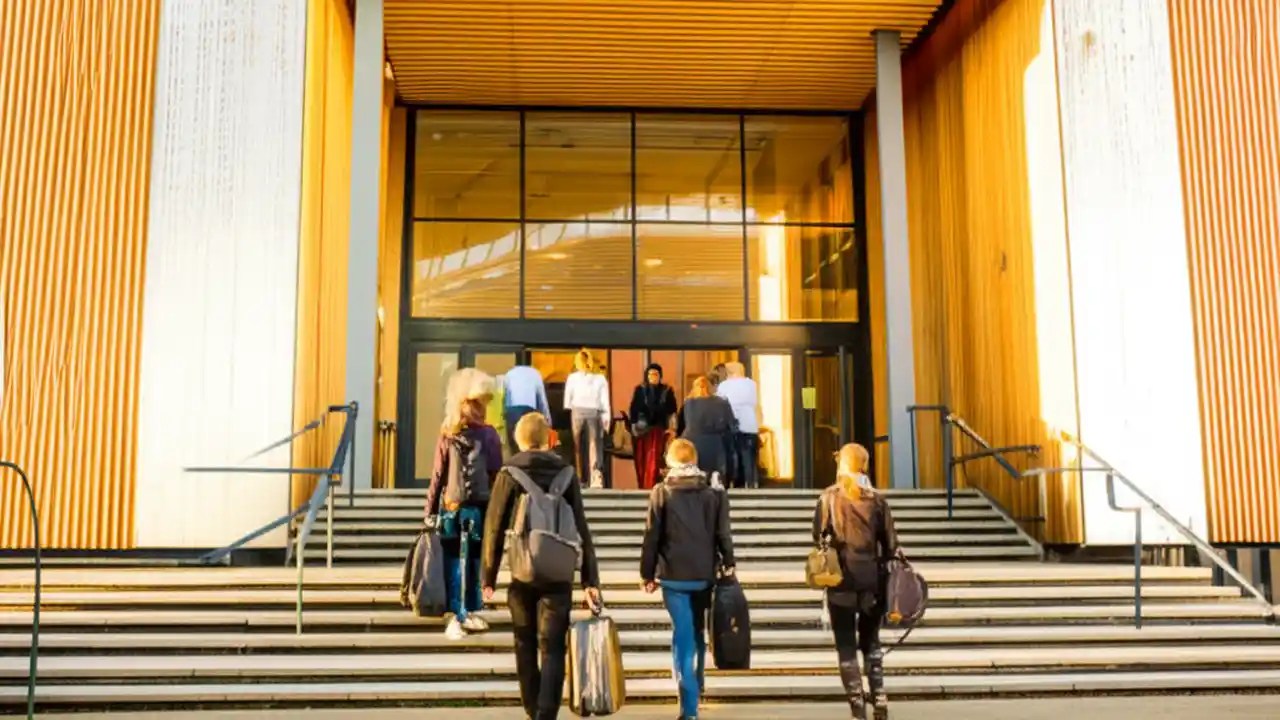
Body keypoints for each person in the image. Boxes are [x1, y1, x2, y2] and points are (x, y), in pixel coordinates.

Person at [482, 413, 602, 720]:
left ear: (519, 439)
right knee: (553, 646)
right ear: (548, 438)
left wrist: (488, 576)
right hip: (558, 571)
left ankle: (531, 707)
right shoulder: (567, 472)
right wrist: (590, 580)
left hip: (523, 571)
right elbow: (582, 527)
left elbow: (494, 526)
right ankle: (546, 713)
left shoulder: (510, 473)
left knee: (524, 641)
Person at [640, 439, 736, 720]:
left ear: (670, 460)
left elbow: (651, 537)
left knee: (682, 635)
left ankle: (689, 704)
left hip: (673, 576)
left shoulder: (661, 492)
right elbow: (723, 535)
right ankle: (697, 682)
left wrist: (647, 573)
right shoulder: (714, 494)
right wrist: (728, 563)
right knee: (696, 631)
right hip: (704, 575)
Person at [814, 442, 898, 720]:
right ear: (865, 465)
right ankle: (880, 697)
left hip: (840, 580)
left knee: (846, 645)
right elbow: (891, 545)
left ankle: (857, 705)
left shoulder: (829, 497)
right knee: (871, 641)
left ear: (842, 465)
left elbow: (818, 536)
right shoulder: (878, 500)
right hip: (872, 581)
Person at [425, 368, 504, 641]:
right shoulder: (489, 436)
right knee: (467, 561)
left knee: (459, 561)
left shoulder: (448, 432)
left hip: (453, 505)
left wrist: (430, 511)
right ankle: (462, 613)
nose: (483, 408)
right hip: (476, 507)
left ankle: (462, 613)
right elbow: (496, 473)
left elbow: (438, 474)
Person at [564, 349, 610, 489]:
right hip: (593, 411)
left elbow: (567, 400)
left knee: (578, 447)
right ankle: (595, 477)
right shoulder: (599, 379)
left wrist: (569, 406)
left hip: (577, 411)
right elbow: (604, 401)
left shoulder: (572, 378)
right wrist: (606, 419)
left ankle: (580, 478)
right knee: (594, 446)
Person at [677, 376, 736, 483]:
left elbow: (681, 424)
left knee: (694, 473)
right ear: (710, 387)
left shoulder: (688, 403)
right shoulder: (721, 402)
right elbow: (730, 423)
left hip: (692, 440)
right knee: (714, 474)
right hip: (714, 442)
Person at [628, 362, 677, 490]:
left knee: (655, 461)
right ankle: (643, 487)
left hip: (659, 431)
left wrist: (672, 429)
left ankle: (653, 487)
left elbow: (672, 411)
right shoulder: (640, 390)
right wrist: (634, 427)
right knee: (642, 461)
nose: (652, 377)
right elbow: (633, 409)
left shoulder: (667, 391)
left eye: (655, 374)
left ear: (660, 376)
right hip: (642, 432)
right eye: (650, 374)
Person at [716, 361, 761, 489]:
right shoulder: (751, 384)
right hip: (749, 424)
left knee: (731, 454)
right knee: (748, 455)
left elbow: (721, 404)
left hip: (730, 424)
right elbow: (753, 401)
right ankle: (750, 482)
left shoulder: (724, 386)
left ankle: (733, 482)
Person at [503, 364, 551, 455]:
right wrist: (547, 418)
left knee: (514, 443)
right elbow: (542, 398)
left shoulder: (509, 374)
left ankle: (514, 463)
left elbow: (505, 394)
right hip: (528, 408)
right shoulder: (535, 373)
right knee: (530, 440)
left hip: (511, 409)